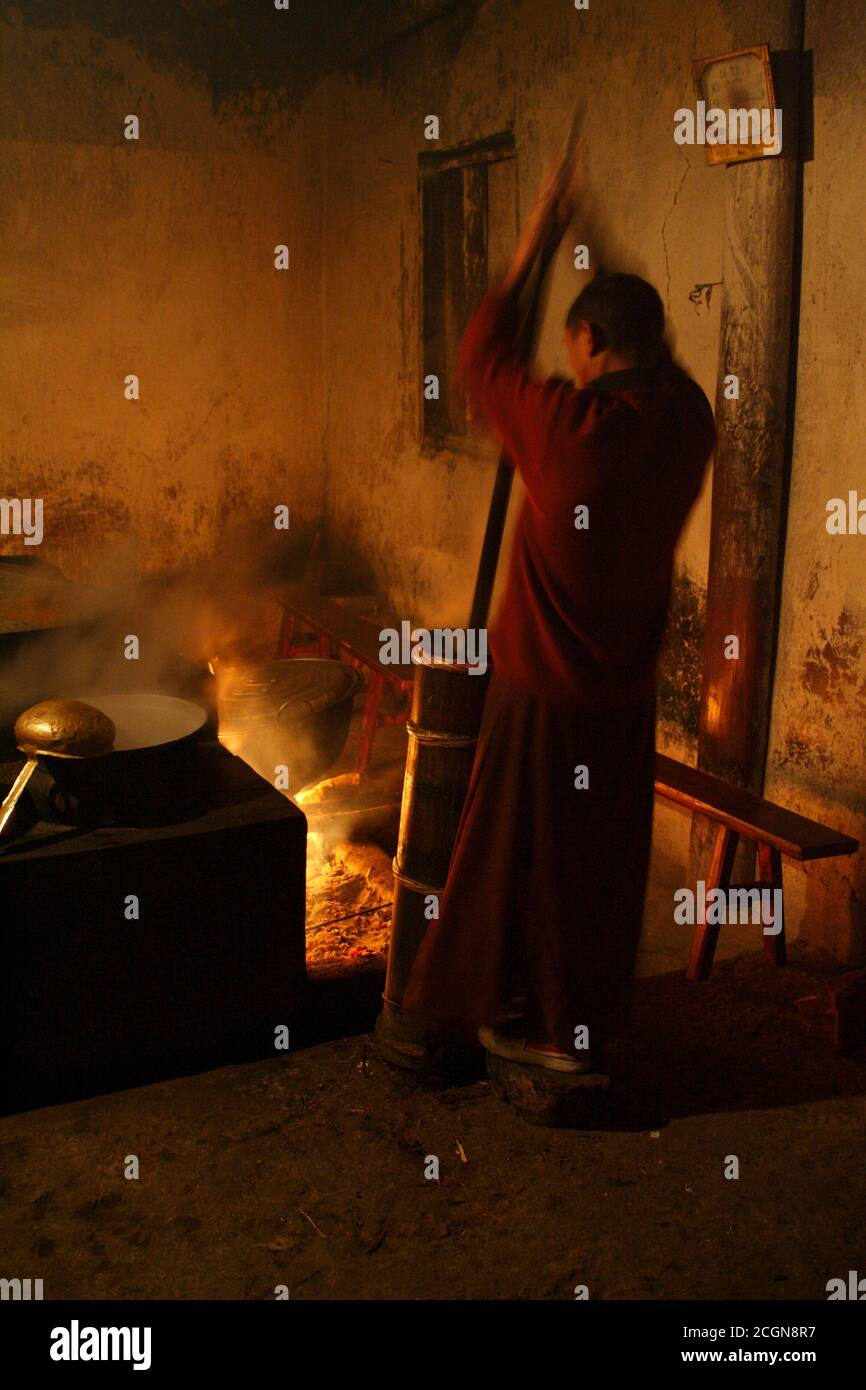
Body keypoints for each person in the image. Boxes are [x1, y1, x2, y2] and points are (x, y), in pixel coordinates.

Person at [397, 165, 716, 1080]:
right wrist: (607, 258)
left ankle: (525, 1027)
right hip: (621, 701)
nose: (570, 357)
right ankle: (579, 1025)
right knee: (595, 878)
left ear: (586, 339)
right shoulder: (685, 425)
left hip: (539, 697)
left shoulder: (570, 428)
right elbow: (665, 364)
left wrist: (540, 233)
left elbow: (481, 357)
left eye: (578, 342)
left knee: (519, 868)